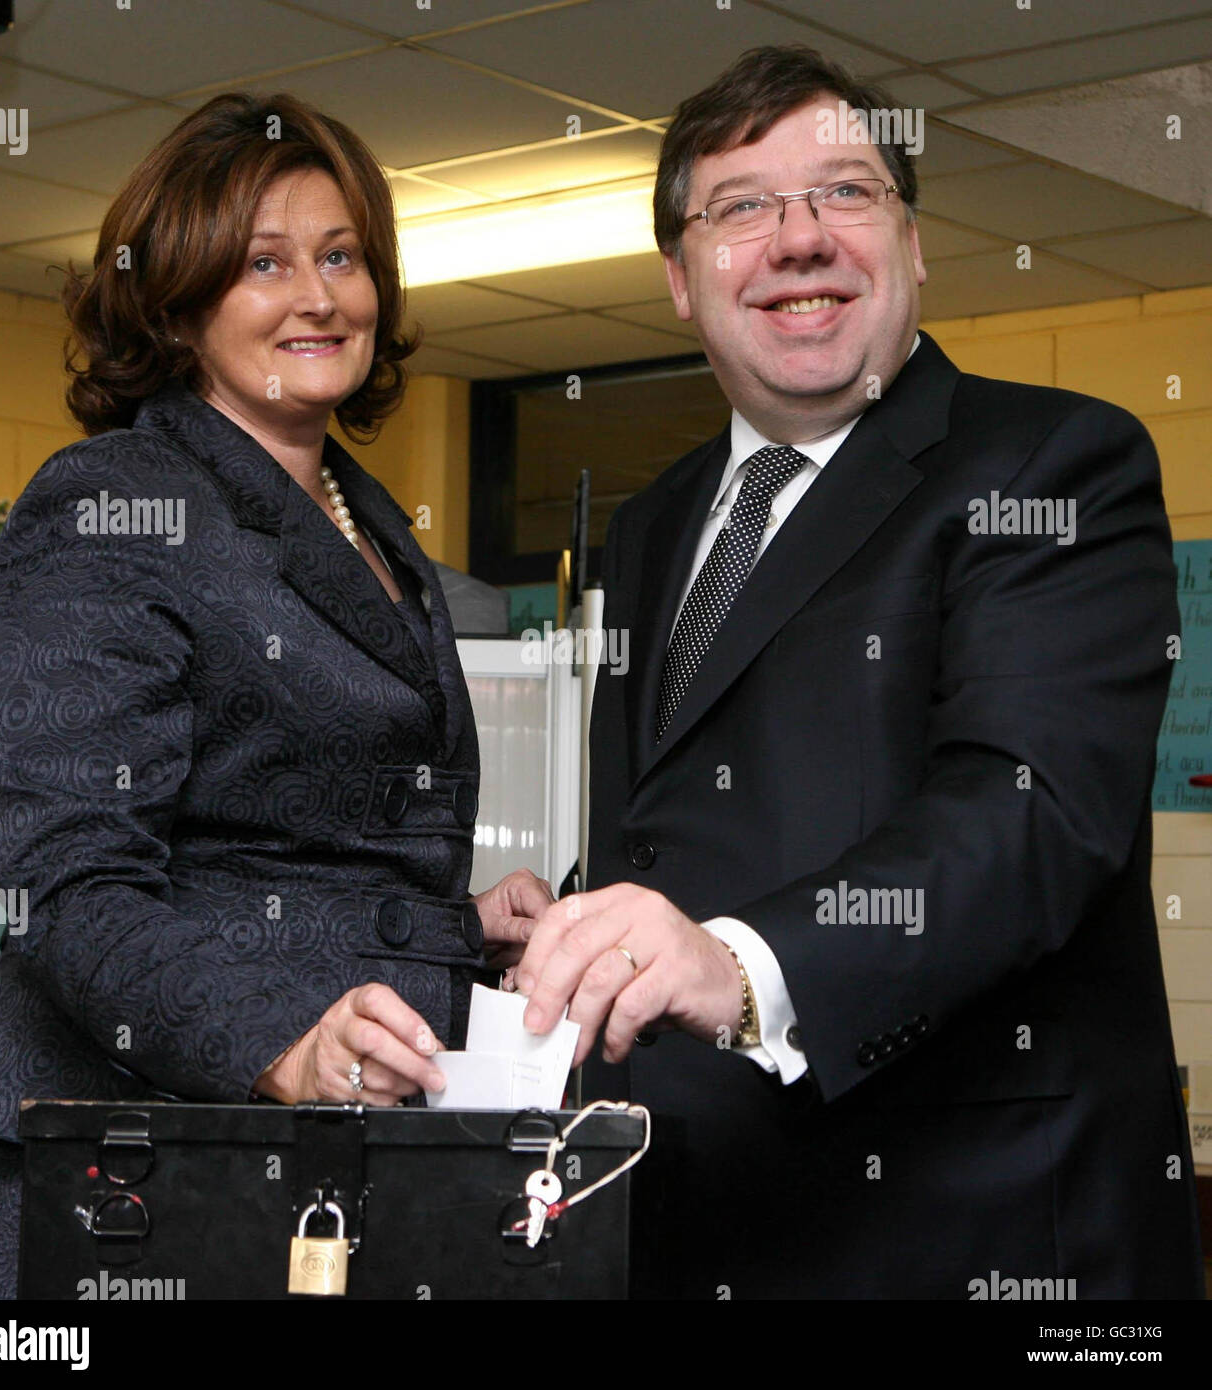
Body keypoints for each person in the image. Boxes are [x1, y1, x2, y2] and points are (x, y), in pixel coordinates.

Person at [514, 46, 1204, 1298]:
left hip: (969, 1241)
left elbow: (1027, 811)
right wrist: (576, 913)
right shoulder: (655, 520)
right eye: (741, 207)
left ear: (912, 241)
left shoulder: (1051, 465)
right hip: (694, 1220)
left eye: (844, 192)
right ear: (680, 277)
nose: (797, 239)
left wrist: (737, 966)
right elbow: (705, 822)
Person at [0, 91, 550, 1299]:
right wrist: (277, 1042)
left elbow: (277, 840)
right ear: (179, 301)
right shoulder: (113, 504)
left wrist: (456, 920)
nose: (317, 296)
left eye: (340, 256)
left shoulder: (365, 516)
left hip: (313, 1141)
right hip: (137, 1151)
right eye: (262, 263)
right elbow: (69, 883)